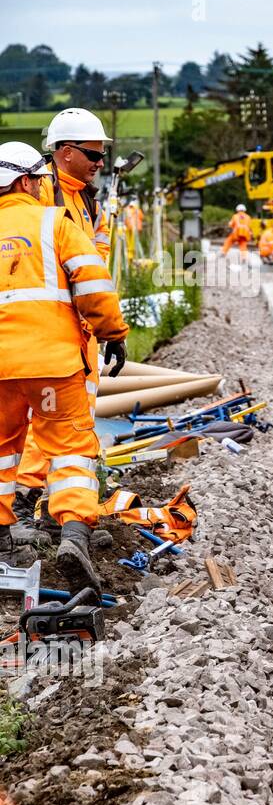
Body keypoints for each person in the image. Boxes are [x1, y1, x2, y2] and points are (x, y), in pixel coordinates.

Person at [0, 142, 128, 590]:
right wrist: (112, 332)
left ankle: (2, 541)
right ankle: (73, 532)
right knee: (71, 448)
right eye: (37, 180)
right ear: (25, 181)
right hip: (53, 362)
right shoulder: (55, 221)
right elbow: (93, 284)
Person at [14, 108, 119, 521]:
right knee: (52, 416)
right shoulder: (42, 194)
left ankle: (54, 507)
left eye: (101, 156)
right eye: (93, 155)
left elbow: (97, 254)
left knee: (75, 418)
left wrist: (102, 315)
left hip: (82, 326)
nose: (100, 163)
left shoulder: (86, 199)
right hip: (49, 329)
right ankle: (28, 500)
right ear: (64, 151)